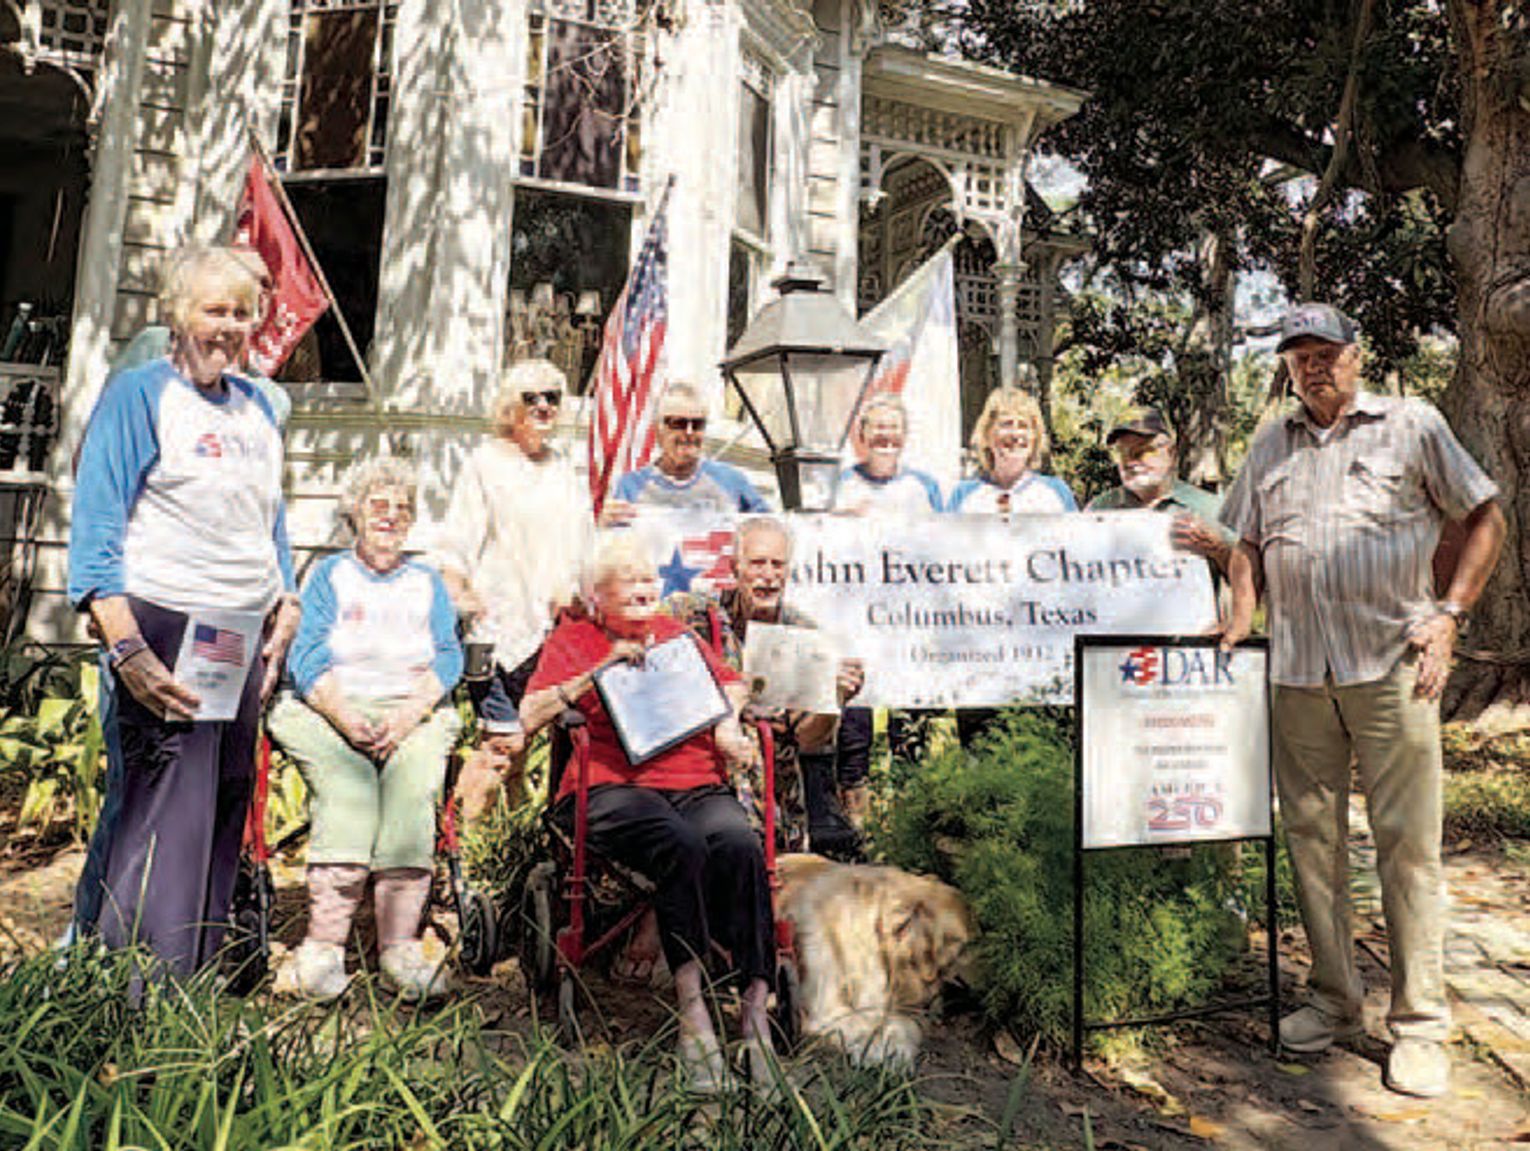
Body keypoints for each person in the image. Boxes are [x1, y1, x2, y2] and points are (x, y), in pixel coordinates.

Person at [1219, 303, 1505, 1099]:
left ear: (1356, 355)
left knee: (1407, 848)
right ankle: (1335, 1001)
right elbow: (1244, 538)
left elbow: (1485, 515)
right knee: (1311, 842)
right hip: (1298, 673)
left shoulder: (1411, 423)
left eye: (1326, 353)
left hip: (1393, 667)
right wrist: (1243, 613)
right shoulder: (1270, 440)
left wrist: (1450, 614)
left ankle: (1417, 1024)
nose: (1312, 367)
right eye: (1297, 355)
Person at [66, 244, 301, 980]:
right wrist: (127, 647)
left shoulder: (259, 404)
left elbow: (267, 519)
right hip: (162, 624)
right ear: (177, 313)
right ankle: (130, 1001)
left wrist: (286, 598)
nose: (229, 326)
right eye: (214, 310)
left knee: (220, 809)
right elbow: (97, 523)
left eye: (242, 312)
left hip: (236, 631)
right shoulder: (141, 393)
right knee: (161, 815)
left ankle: (192, 990)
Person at [519, 533, 774, 1090]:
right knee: (676, 842)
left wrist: (728, 726)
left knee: (738, 841)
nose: (645, 588)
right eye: (628, 580)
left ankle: (755, 1011)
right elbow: (529, 714)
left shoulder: (677, 635)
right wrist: (599, 670)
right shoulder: (574, 640)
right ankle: (694, 1017)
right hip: (610, 786)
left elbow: (730, 685)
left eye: (648, 578)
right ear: (596, 592)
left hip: (693, 780)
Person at [268, 458, 463, 1002]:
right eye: (379, 505)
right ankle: (324, 949)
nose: (391, 516)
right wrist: (347, 718)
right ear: (355, 512)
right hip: (328, 705)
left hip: (412, 708)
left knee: (410, 791)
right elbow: (305, 658)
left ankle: (399, 950)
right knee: (349, 792)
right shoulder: (330, 574)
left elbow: (447, 659)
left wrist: (404, 720)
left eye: (403, 508)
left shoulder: (427, 581)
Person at [434, 358, 594, 814]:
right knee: (499, 748)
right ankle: (465, 857)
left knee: (528, 751)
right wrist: (462, 591)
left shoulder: (565, 469)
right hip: (497, 628)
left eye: (553, 398)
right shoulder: (485, 463)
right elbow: (455, 543)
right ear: (511, 404)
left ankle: (511, 865)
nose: (544, 406)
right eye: (532, 398)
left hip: (553, 630)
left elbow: (584, 545)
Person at [667, 516, 865, 854]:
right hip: (703, 780)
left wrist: (834, 699)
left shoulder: (803, 633)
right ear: (734, 567)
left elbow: (808, 737)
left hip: (776, 794)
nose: (768, 574)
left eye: (778, 564)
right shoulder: (693, 614)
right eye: (757, 563)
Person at [829, 394, 942, 818]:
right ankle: (854, 823)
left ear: (905, 435)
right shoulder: (840, 485)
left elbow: (953, 549)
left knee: (909, 726)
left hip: (909, 622)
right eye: (877, 427)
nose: (886, 435)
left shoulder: (924, 487)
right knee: (854, 724)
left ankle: (912, 821)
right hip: (854, 621)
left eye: (894, 427)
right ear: (861, 436)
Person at [1086, 405, 1235, 575]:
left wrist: (1218, 549)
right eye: (1121, 454)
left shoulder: (1210, 508)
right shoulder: (1097, 511)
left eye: (1143, 451)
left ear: (1171, 454)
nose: (1130, 462)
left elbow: (1251, 581)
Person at [601, 382, 771, 522]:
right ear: (658, 431)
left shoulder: (731, 481)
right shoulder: (630, 486)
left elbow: (769, 529)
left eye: (697, 425)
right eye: (678, 423)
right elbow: (615, 547)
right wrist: (605, 524)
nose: (689, 433)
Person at [947, 387, 1077, 515]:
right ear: (987, 435)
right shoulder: (963, 495)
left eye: (1023, 425)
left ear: (1035, 438)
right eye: (1006, 424)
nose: (1015, 434)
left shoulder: (1057, 493)